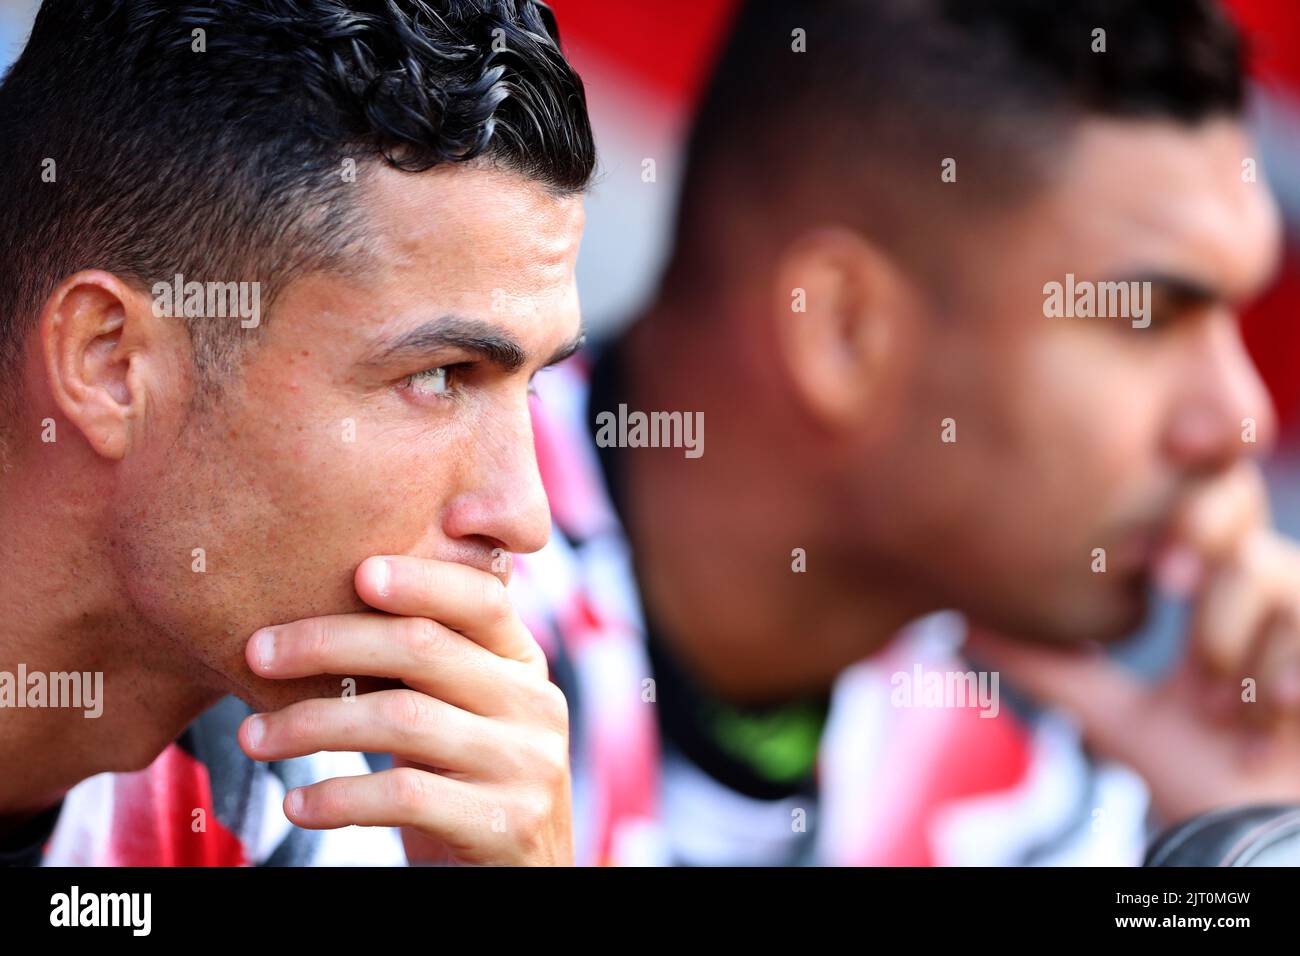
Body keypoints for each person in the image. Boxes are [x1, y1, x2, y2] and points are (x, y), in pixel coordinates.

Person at [514, 0, 1300, 865]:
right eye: (1147, 314)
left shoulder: (1026, 785)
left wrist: (1236, 838)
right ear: (844, 329)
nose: (1242, 417)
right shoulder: (403, 606)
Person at [0, 0, 593, 866]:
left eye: (530, 385)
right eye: (437, 376)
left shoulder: (303, 802)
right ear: (112, 364)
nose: (525, 516)